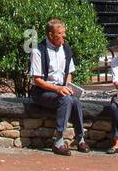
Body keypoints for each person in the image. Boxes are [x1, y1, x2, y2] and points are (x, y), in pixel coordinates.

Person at [30, 18, 88, 155]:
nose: (64, 36)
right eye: (60, 34)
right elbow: (37, 80)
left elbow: (69, 72)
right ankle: (59, 141)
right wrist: (58, 89)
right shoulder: (38, 51)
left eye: (64, 33)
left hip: (60, 89)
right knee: (66, 99)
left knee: (75, 101)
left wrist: (67, 85)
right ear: (50, 35)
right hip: (42, 92)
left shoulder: (66, 49)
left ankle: (80, 138)